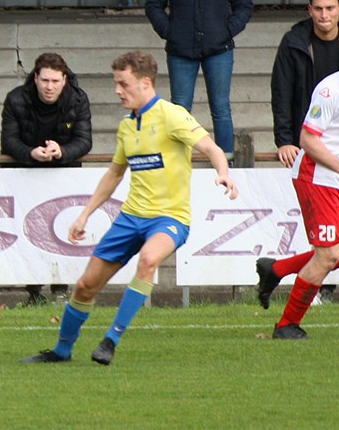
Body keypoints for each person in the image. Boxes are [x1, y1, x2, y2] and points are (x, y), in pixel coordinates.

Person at [21, 51, 237, 365]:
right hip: (131, 217)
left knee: (149, 259)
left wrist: (223, 171)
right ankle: (61, 351)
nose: (117, 90)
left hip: (168, 218)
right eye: (116, 83)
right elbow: (114, 173)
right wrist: (85, 214)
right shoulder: (127, 126)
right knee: (85, 286)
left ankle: (111, 339)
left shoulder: (171, 115)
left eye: (123, 84)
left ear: (145, 82)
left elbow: (209, 147)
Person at [256, 25, 339, 339]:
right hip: (315, 177)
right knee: (328, 255)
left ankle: (275, 270)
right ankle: (286, 325)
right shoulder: (330, 90)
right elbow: (307, 140)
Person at [144, 0, 253, 154]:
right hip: (181, 49)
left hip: (219, 49)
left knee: (221, 108)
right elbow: (153, 4)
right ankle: (178, 159)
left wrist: (227, 30)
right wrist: (169, 31)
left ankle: (226, 161)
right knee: (180, 108)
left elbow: (244, 6)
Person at [270, 0, 339, 304]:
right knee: (320, 224)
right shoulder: (294, 42)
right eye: (318, 8)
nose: (324, 15)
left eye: (330, 8)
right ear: (309, 10)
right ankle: (313, 288)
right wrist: (284, 140)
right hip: (307, 144)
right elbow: (281, 92)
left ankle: (306, 280)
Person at [1, 52, 92, 305]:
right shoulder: (16, 98)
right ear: (35, 79)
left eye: (55, 81)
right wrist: (30, 153)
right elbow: (9, 140)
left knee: (62, 231)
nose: (49, 87)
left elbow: (85, 141)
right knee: (27, 231)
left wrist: (62, 152)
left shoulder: (78, 99)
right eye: (44, 81)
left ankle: (60, 290)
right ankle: (33, 292)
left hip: (63, 173)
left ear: (64, 79)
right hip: (25, 173)